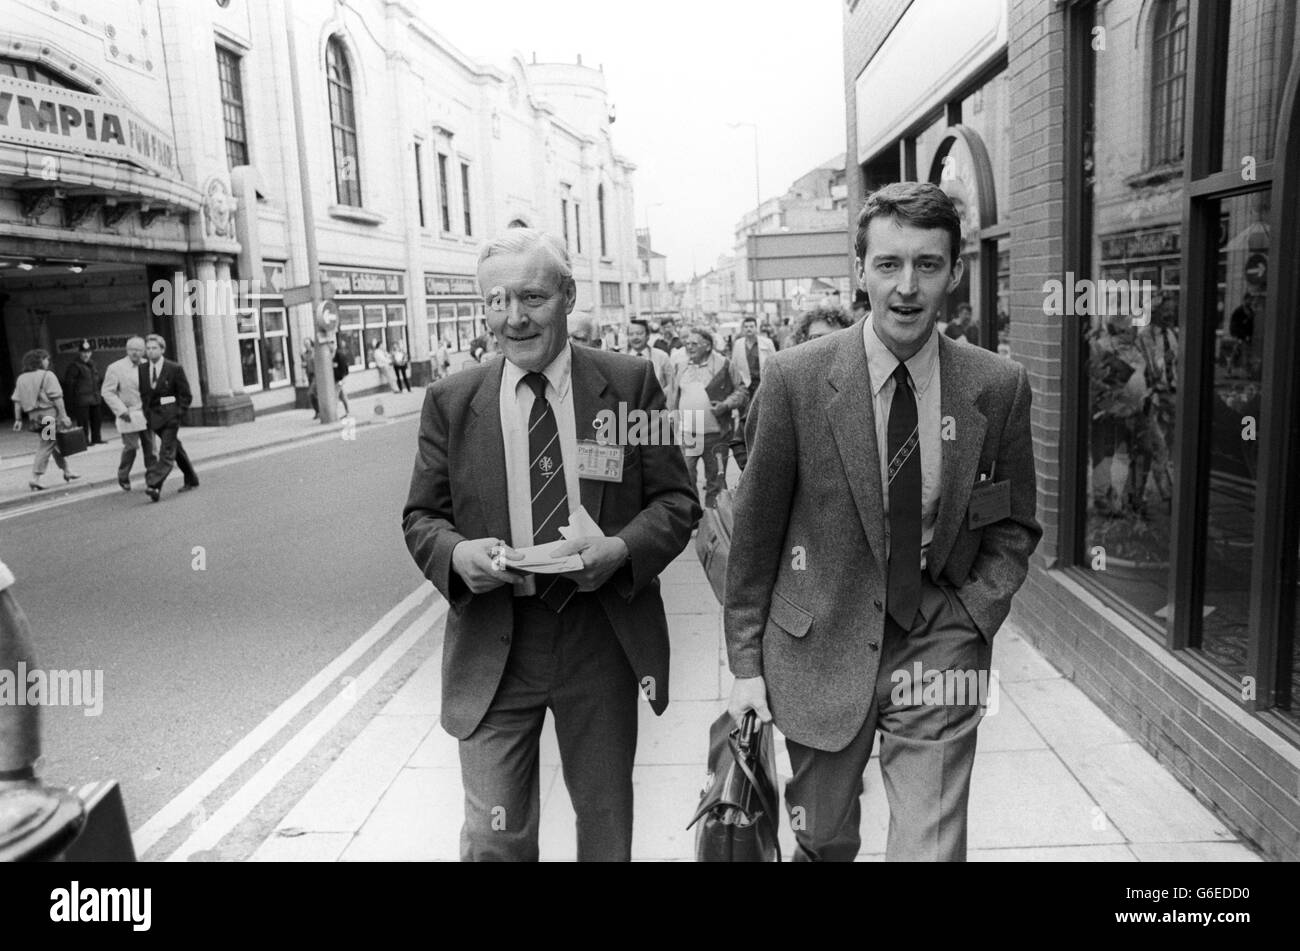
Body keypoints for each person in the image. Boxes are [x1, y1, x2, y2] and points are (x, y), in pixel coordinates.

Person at [725, 182, 1041, 862]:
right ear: (860, 270)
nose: (907, 286)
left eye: (928, 264)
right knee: (824, 840)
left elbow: (1013, 525)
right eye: (889, 264)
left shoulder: (997, 386)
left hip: (938, 647)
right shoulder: (793, 380)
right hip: (817, 646)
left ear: (954, 273)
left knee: (929, 848)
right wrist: (745, 664)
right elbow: (753, 541)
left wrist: (971, 617)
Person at [402, 228, 698, 861]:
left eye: (533, 296)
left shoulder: (627, 384)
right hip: (497, 642)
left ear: (568, 296)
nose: (514, 317)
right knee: (491, 837)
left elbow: (676, 501)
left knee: (604, 825)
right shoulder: (451, 404)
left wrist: (621, 550)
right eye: (498, 300)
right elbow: (423, 517)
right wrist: (456, 556)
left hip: (599, 637)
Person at [668, 327, 746, 509]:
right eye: (687, 343)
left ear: (708, 346)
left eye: (694, 343)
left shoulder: (724, 364)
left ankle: (713, 524)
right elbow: (674, 395)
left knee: (716, 480)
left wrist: (725, 405)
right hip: (688, 434)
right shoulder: (681, 365)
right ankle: (693, 516)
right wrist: (671, 416)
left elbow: (742, 391)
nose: (689, 346)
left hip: (716, 435)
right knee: (686, 477)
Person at [10, 349, 80, 491]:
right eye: (46, 359)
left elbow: (17, 402)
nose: (48, 361)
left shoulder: (21, 378)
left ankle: (67, 471)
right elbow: (57, 398)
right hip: (48, 416)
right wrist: (64, 416)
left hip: (34, 418)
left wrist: (18, 419)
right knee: (47, 444)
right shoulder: (48, 376)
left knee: (53, 444)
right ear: (40, 361)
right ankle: (35, 477)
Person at [140, 334, 199, 502]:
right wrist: (147, 413)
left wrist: (176, 413)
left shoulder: (174, 368)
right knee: (175, 448)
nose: (150, 352)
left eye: (154, 348)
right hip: (154, 419)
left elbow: (184, 395)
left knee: (166, 452)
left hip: (170, 417)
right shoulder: (143, 370)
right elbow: (145, 395)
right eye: (148, 348)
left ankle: (154, 485)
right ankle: (191, 478)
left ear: (162, 349)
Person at [100, 335, 157, 491]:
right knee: (131, 447)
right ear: (127, 350)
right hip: (128, 413)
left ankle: (152, 478)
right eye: (132, 350)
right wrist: (120, 410)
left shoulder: (149, 365)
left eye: (139, 350)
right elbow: (107, 392)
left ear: (144, 351)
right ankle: (123, 474)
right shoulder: (115, 368)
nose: (135, 353)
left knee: (151, 448)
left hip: (146, 413)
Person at [63, 339, 105, 446]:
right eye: (83, 352)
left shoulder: (93, 364)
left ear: (91, 353)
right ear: (80, 353)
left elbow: (97, 380)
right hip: (81, 399)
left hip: (95, 397)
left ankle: (96, 438)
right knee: (83, 422)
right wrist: (71, 399)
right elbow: (69, 384)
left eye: (88, 352)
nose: (86, 355)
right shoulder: (75, 366)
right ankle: (84, 440)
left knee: (97, 420)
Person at [626, 318, 671, 393]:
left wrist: (660, 399)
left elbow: (671, 385)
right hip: (630, 404)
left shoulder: (662, 357)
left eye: (639, 333)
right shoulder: (620, 359)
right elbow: (620, 394)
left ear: (648, 336)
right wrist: (624, 405)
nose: (635, 337)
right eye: (631, 334)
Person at [331, 340, 351, 417]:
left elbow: (344, 368)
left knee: (335, 396)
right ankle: (347, 412)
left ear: (333, 345)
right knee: (342, 396)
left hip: (339, 380)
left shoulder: (339, 355)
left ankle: (334, 415)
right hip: (334, 379)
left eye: (330, 345)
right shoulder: (329, 355)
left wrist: (343, 379)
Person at [302, 340, 320, 419]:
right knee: (313, 395)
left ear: (311, 344)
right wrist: (304, 365)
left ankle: (320, 410)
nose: (306, 346)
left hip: (315, 376)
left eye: (307, 344)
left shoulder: (314, 352)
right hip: (309, 375)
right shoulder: (305, 354)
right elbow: (304, 365)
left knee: (311, 393)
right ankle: (317, 411)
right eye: (305, 344)